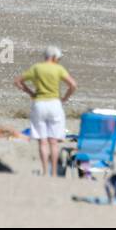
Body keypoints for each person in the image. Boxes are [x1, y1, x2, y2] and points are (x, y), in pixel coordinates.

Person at [14, 46, 76, 177]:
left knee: (42, 141)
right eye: (58, 58)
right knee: (53, 141)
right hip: (54, 104)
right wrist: (65, 97)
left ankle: (45, 171)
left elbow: (18, 81)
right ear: (54, 57)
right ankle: (53, 172)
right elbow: (73, 85)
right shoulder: (58, 68)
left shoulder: (37, 68)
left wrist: (30, 92)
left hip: (39, 104)